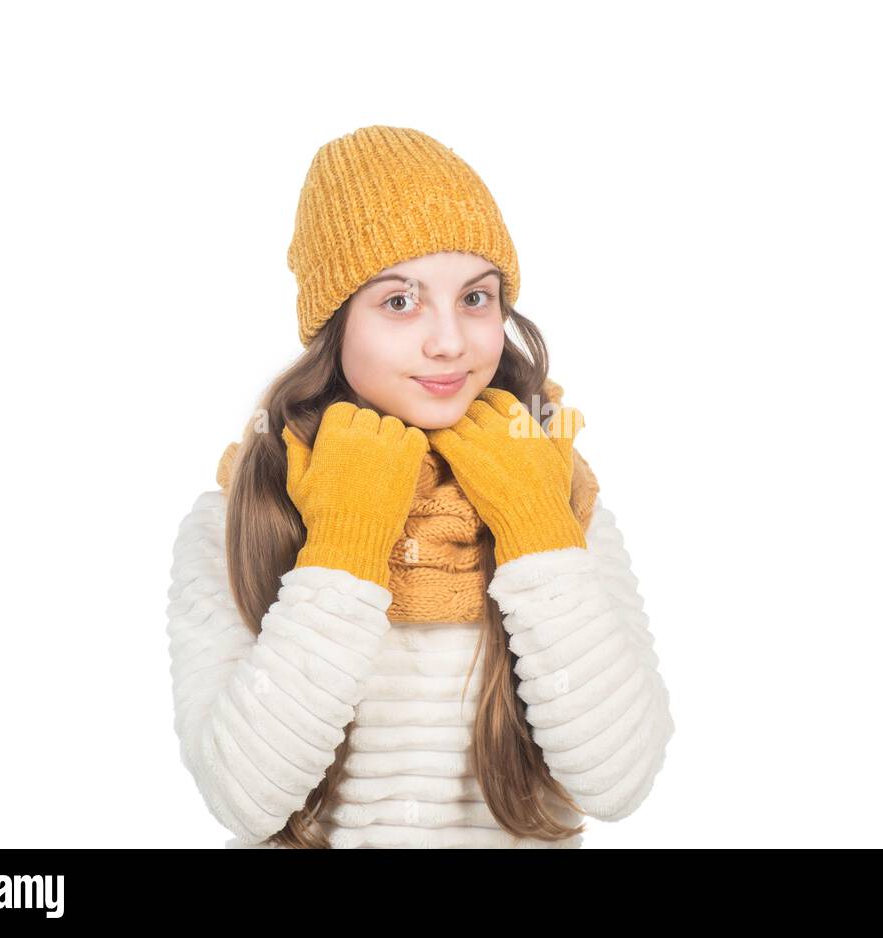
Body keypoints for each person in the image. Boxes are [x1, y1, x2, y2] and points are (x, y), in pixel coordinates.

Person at [164, 125, 674, 848]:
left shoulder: (567, 503)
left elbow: (618, 782)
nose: (449, 341)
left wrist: (534, 525)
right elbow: (244, 799)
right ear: (335, 322)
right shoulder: (240, 516)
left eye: (475, 297)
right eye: (399, 302)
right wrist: (344, 540)